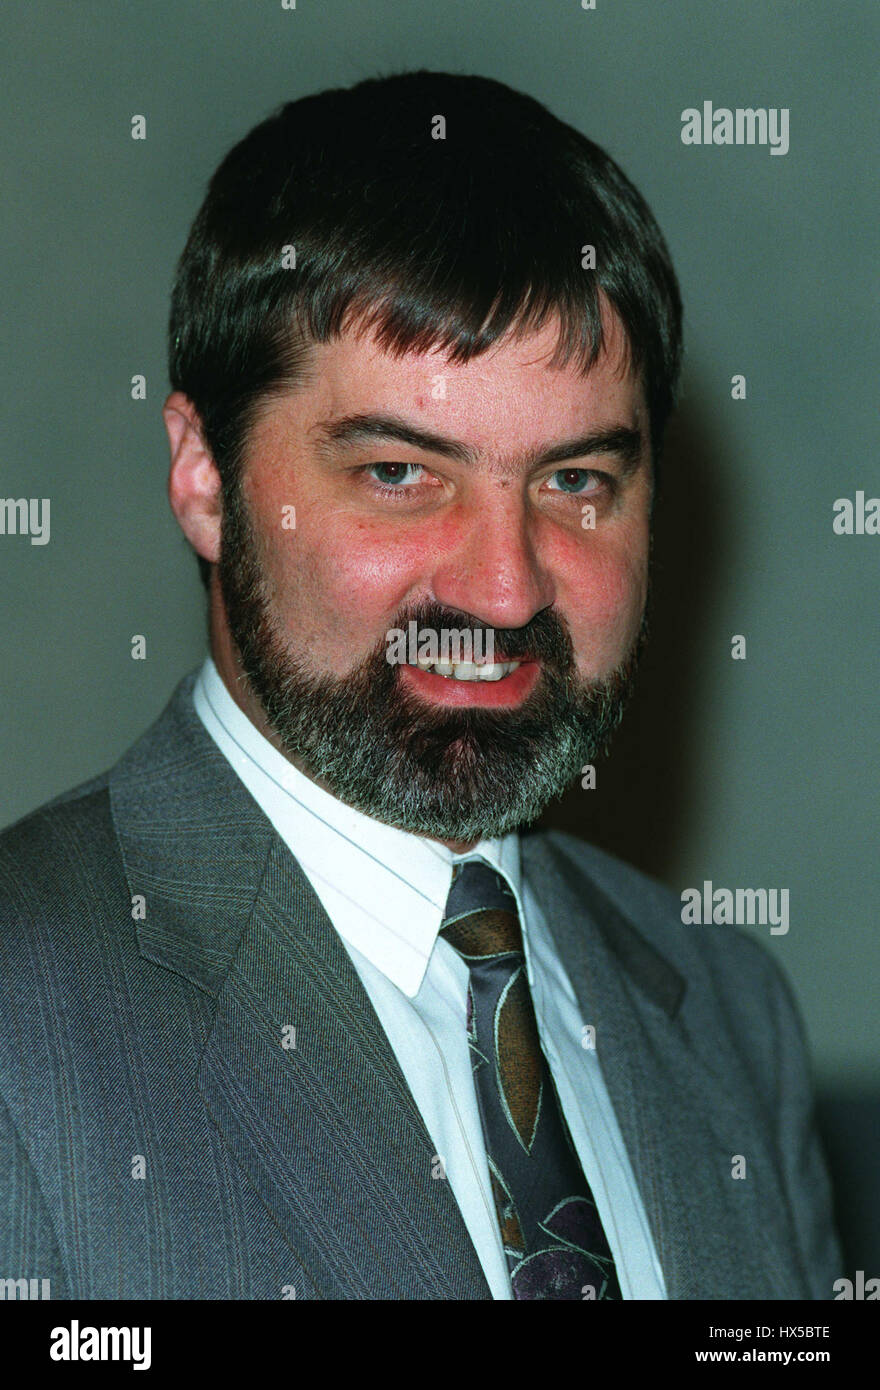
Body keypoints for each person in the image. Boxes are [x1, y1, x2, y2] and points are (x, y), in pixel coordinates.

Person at [0, 70, 841, 1300]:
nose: (504, 590)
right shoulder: (28, 1022)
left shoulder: (723, 1014)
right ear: (202, 477)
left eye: (573, 482)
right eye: (400, 472)